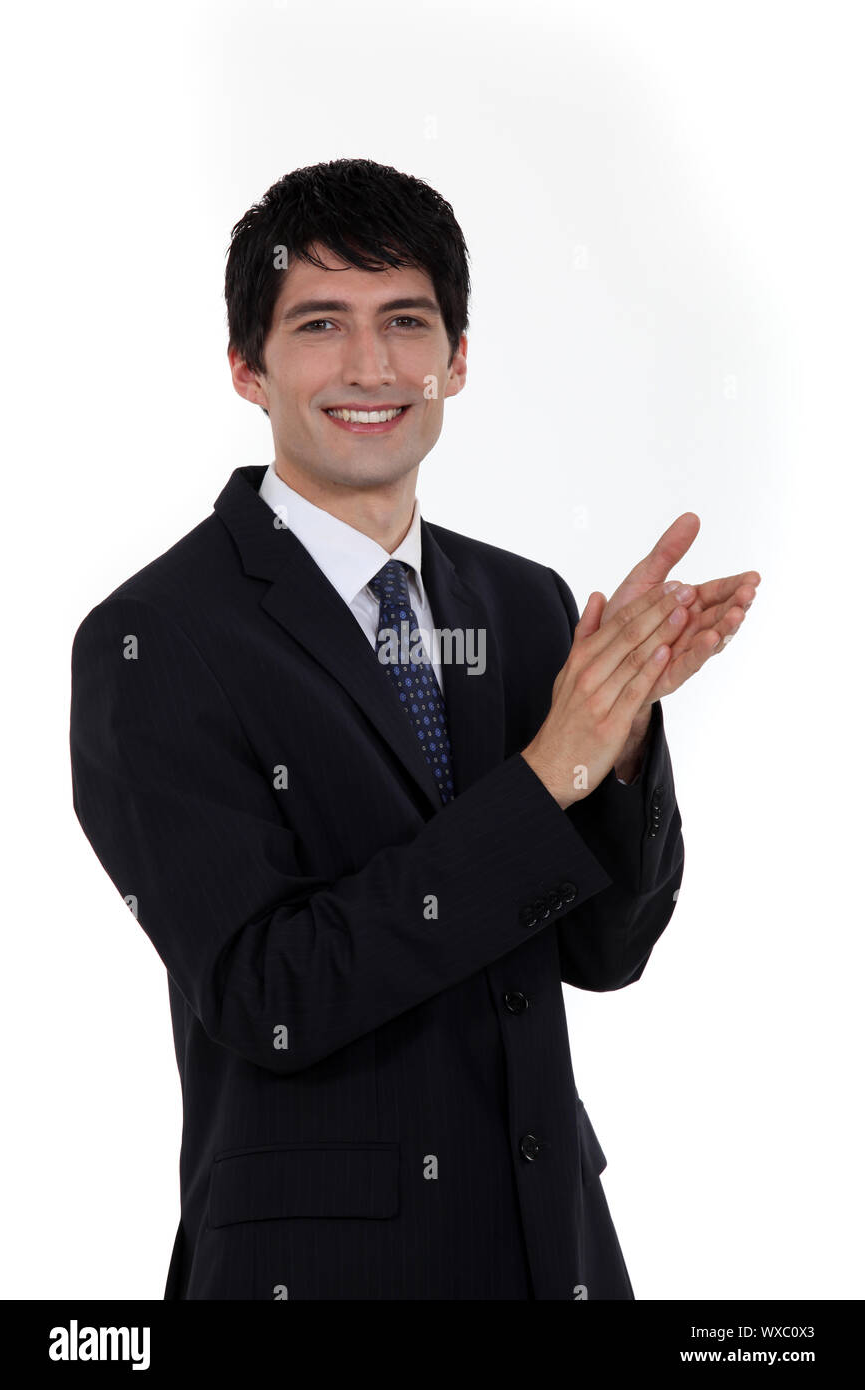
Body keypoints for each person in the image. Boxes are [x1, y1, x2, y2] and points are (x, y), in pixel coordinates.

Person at [69, 157, 759, 1300]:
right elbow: (269, 994)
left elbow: (603, 952)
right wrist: (546, 776)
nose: (371, 365)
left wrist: (621, 739)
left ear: (457, 359)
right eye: (319, 324)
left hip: (553, 1252)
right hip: (320, 1267)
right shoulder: (154, 640)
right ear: (247, 368)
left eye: (405, 321)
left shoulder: (523, 602)